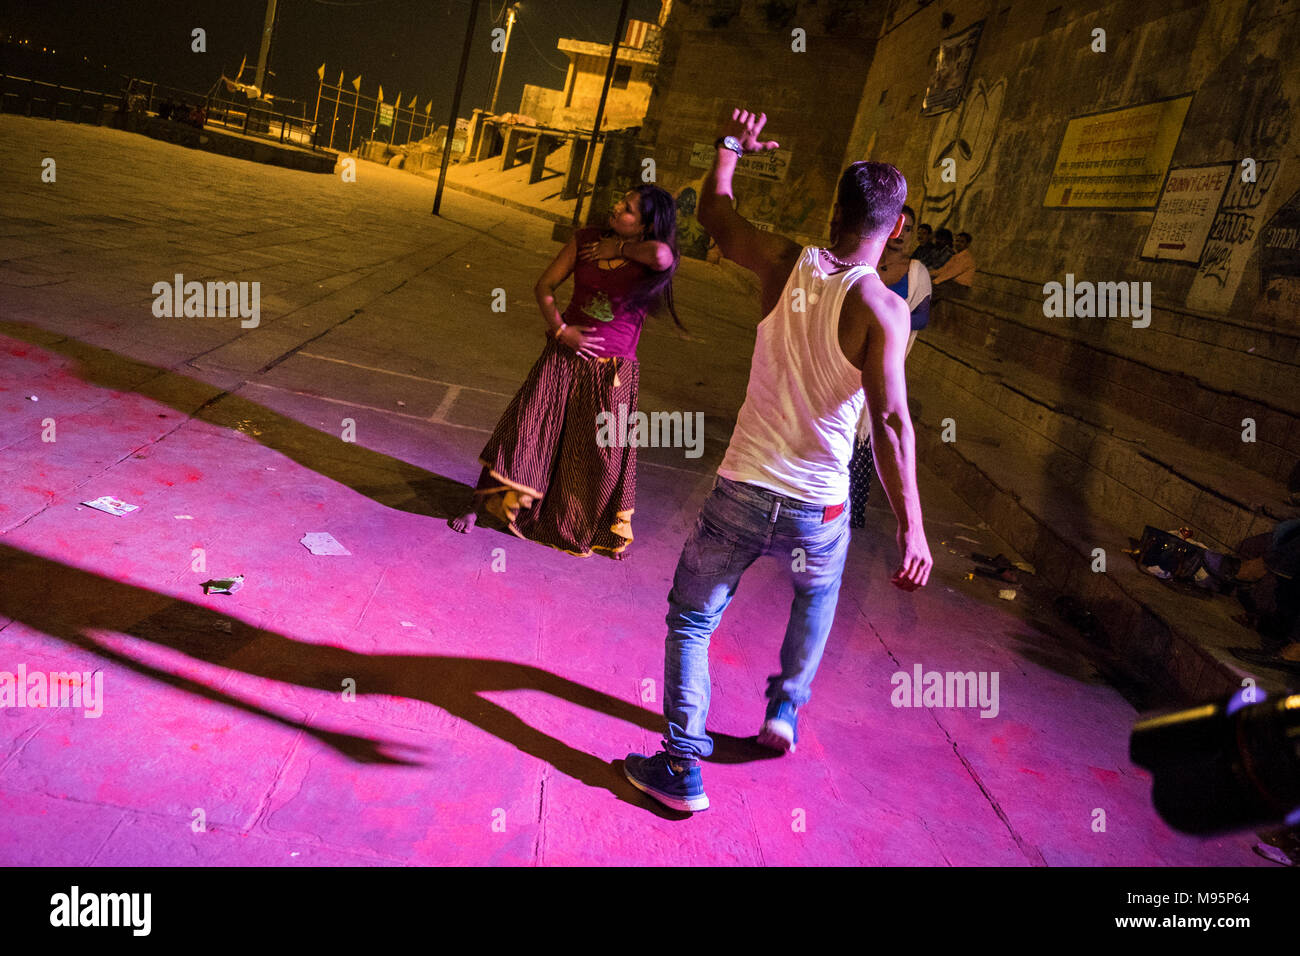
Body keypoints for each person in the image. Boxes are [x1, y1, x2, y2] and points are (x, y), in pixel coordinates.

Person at [623, 110, 933, 812]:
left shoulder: (783, 261)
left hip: (742, 489)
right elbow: (890, 422)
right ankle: (784, 711)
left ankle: (679, 767)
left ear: (835, 213)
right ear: (899, 225)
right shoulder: (885, 310)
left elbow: (714, 212)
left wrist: (731, 147)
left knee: (693, 619)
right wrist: (914, 527)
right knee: (816, 597)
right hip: (821, 506)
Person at [448, 185, 682, 559]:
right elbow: (544, 286)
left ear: (645, 225)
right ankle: (477, 507)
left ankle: (596, 525)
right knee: (524, 431)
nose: (616, 207)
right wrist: (562, 330)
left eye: (628, 209)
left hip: (612, 372)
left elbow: (663, 254)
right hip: (563, 358)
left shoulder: (649, 255)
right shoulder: (586, 240)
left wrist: (618, 250)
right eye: (619, 199)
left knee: (600, 453)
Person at [847, 203, 931, 527]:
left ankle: (850, 513)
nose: (901, 233)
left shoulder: (916, 273)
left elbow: (921, 317)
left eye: (909, 229)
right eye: (897, 225)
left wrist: (884, 318)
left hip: (881, 364)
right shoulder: (865, 260)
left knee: (869, 429)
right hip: (848, 359)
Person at [930, 230, 974, 300]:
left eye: (962, 242)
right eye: (957, 241)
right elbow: (943, 270)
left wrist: (935, 281)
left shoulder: (966, 258)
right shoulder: (956, 256)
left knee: (930, 288)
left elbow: (951, 273)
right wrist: (928, 274)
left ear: (967, 244)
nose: (958, 243)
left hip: (960, 288)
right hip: (950, 284)